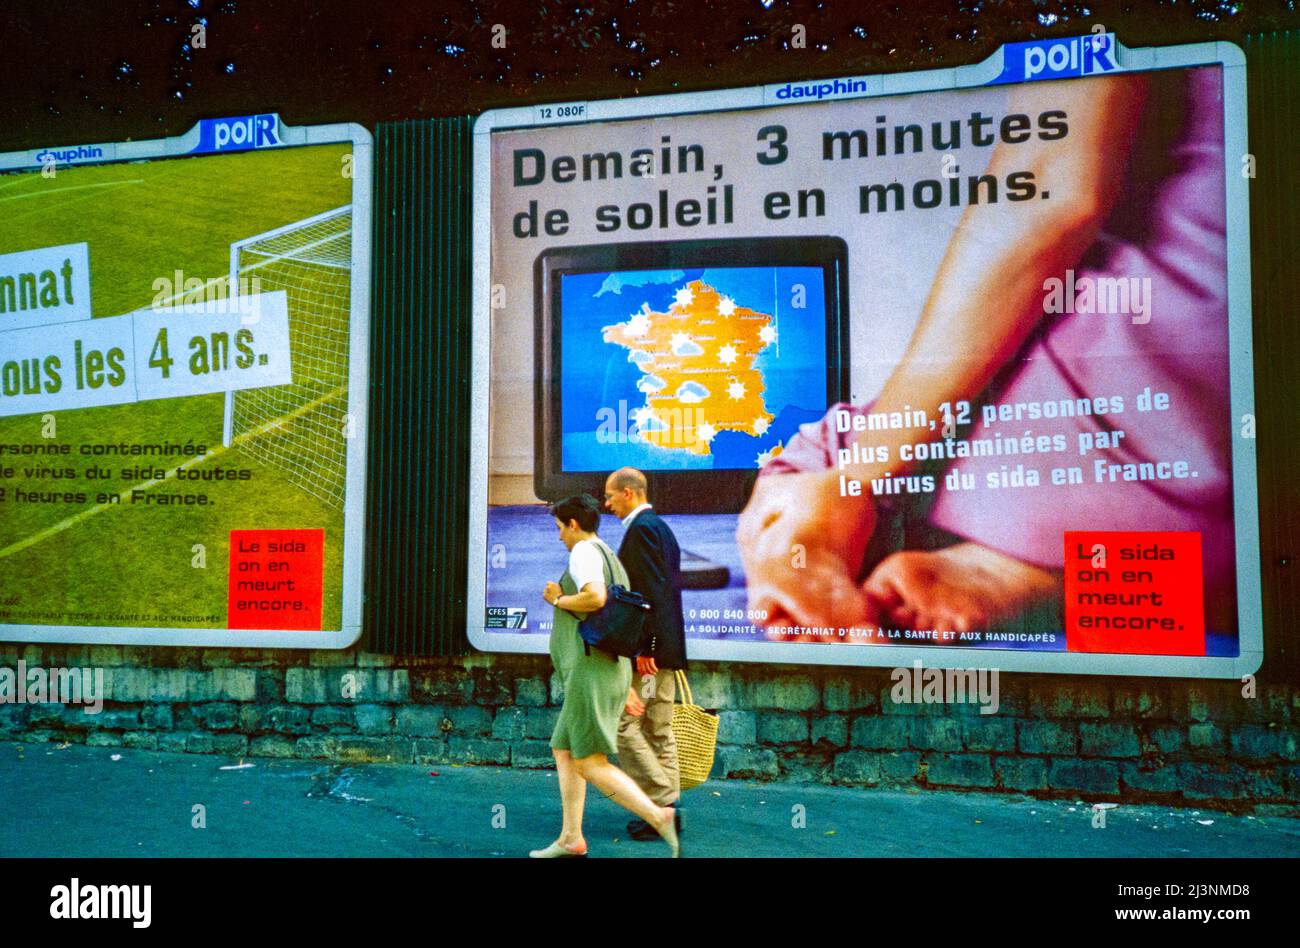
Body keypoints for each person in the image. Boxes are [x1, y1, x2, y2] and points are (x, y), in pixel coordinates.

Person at [738, 67, 1235, 639]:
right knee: (1244, 542)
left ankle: (841, 511)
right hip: (1224, 393)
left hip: (1159, 367)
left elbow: (1051, 189)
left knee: (822, 459)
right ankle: (1057, 578)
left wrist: (858, 476)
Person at [531, 492, 680, 858]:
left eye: (559, 528)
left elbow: (595, 599)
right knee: (563, 749)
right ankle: (571, 838)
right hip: (605, 667)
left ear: (573, 524)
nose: (559, 536)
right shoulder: (608, 553)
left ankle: (657, 815)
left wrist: (557, 600)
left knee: (589, 760)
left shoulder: (582, 552)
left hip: (591, 670)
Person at [603, 467, 688, 841]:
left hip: (651, 655)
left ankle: (660, 802)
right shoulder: (660, 528)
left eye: (609, 496)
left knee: (625, 725)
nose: (607, 505)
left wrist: (644, 647)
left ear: (628, 493)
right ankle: (666, 812)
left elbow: (650, 595)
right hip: (664, 650)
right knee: (658, 729)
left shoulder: (641, 531)